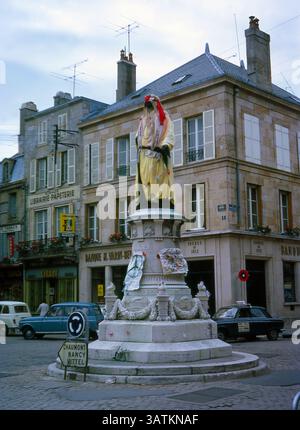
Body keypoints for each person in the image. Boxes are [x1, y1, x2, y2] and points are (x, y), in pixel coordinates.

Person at [135, 94, 175, 209]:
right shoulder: (143, 120)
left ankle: (160, 200)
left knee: (159, 180)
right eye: (147, 106)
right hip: (144, 157)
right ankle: (146, 200)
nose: (149, 109)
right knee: (145, 180)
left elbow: (169, 133)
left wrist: (166, 145)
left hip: (158, 155)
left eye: (151, 106)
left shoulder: (164, 118)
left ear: (156, 105)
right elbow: (138, 136)